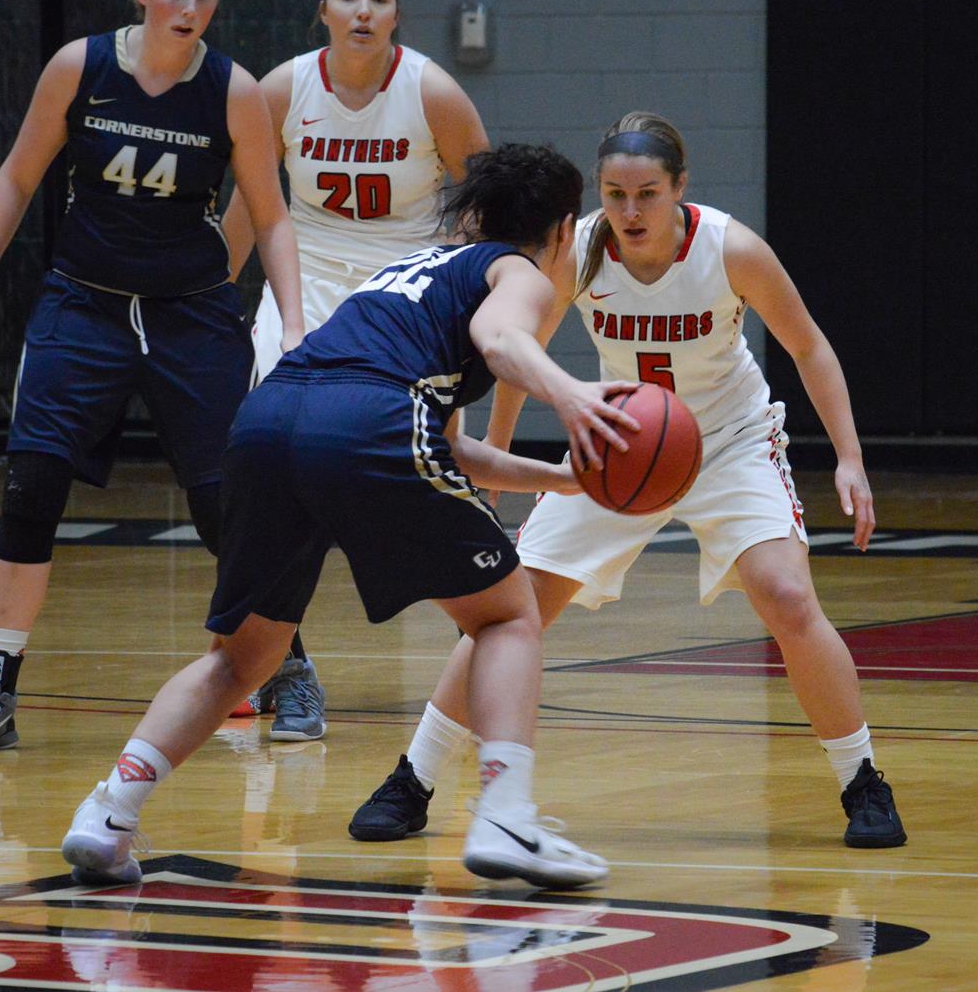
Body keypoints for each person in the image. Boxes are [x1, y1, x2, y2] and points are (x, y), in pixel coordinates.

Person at [60, 142, 633, 890]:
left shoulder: (405, 273)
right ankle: (506, 814)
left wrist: (559, 477)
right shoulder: (515, 272)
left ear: (475, 212)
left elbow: (447, 447)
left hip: (269, 419)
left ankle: (108, 812)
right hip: (369, 420)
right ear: (563, 231)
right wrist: (572, 394)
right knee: (506, 617)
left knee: (241, 657)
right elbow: (499, 342)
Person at [348, 111, 908, 850]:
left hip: (731, 441)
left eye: (647, 193)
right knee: (506, 609)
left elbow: (809, 346)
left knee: (788, 595)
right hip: (621, 441)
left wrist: (849, 457)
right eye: (614, 192)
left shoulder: (731, 249)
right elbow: (520, 350)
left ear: (679, 188)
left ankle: (862, 779)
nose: (630, 210)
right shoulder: (577, 250)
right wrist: (494, 460)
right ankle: (413, 777)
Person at [0, 0, 302, 755]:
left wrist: (295, 320)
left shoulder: (232, 90)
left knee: (225, 501)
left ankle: (287, 660)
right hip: (84, 306)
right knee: (31, 484)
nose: (191, 9)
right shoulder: (79, 66)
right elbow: (18, 176)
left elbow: (270, 217)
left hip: (192, 312)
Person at [222, 0, 490, 738]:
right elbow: (251, 204)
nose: (364, 10)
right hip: (303, 284)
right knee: (265, 470)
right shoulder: (282, 88)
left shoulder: (431, 89)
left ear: (396, 14)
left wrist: (462, 279)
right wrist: (208, 301)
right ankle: (282, 664)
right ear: (326, 10)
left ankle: (482, 649)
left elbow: (488, 202)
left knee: (426, 472)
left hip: (405, 294)